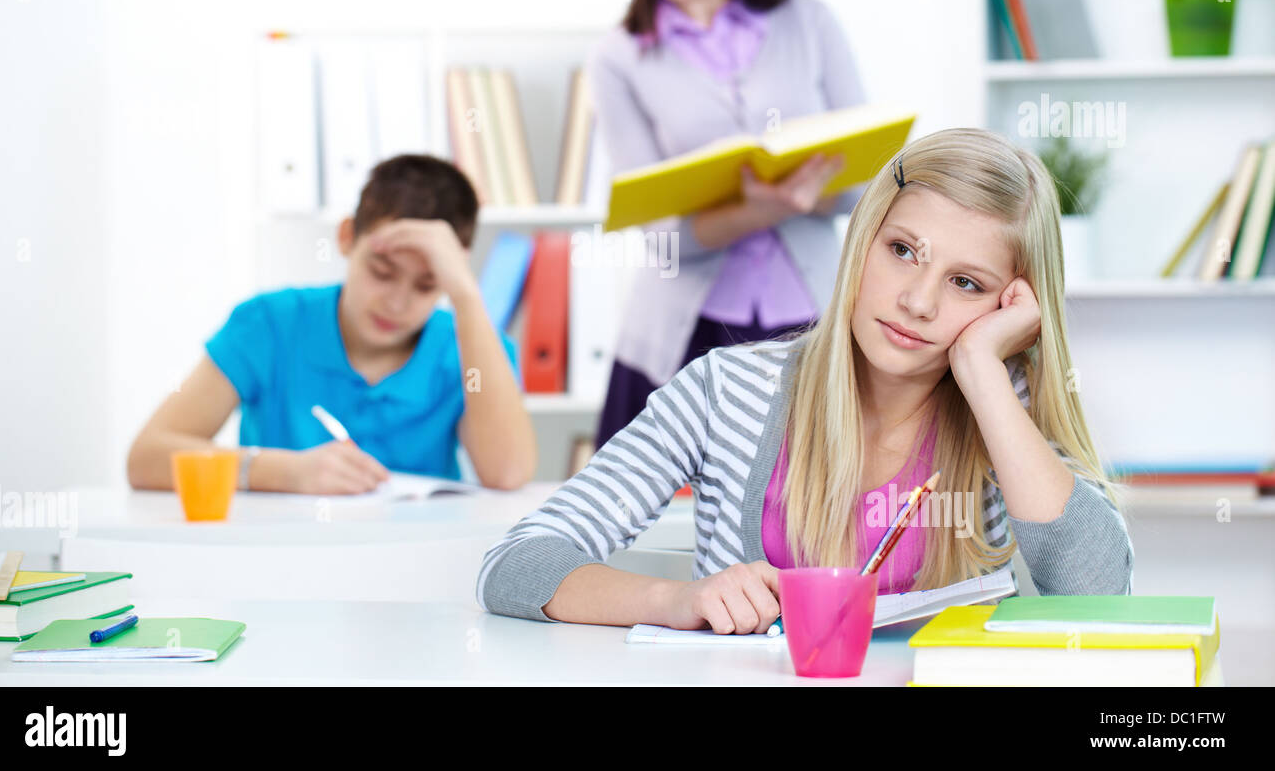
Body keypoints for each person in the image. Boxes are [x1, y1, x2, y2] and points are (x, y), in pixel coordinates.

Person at [477, 129, 1133, 632]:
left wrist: (984, 374)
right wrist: (674, 599)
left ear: (1008, 304)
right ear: (862, 241)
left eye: (967, 283)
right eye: (902, 251)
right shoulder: (725, 390)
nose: (918, 302)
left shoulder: (1001, 408)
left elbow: (1099, 595)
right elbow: (515, 567)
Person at [588, 0, 865, 449]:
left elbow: (871, 184)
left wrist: (809, 195)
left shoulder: (810, 23)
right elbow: (661, 236)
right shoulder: (618, 59)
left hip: (810, 321)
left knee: (812, 522)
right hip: (683, 337)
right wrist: (755, 209)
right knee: (658, 528)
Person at [128, 154, 537, 494]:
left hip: (417, 571)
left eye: (428, 284)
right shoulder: (270, 323)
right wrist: (284, 472)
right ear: (347, 237)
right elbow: (147, 458)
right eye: (382, 270)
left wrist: (465, 293)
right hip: (284, 566)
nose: (397, 302)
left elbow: (508, 473)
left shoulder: (470, 347)